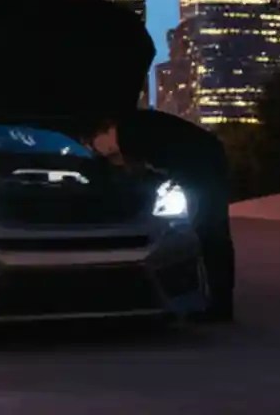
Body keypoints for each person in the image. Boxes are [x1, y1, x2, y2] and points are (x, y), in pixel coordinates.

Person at [83, 109, 236, 322]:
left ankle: (218, 307)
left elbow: (137, 175)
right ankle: (220, 303)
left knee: (210, 233)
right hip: (206, 158)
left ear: (104, 131)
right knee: (213, 233)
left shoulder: (128, 131)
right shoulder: (134, 125)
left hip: (201, 165)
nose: (99, 152)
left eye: (92, 145)